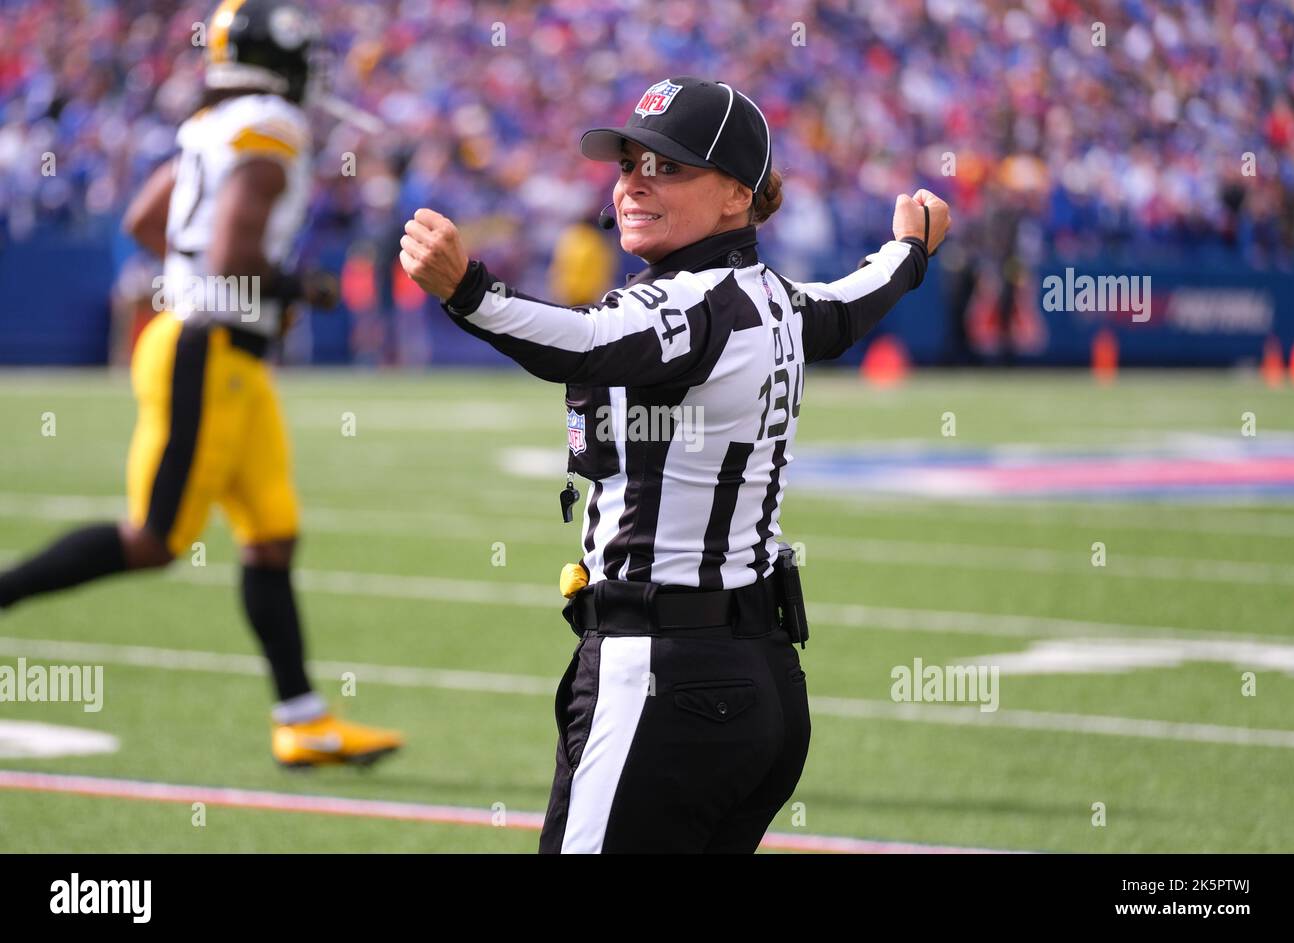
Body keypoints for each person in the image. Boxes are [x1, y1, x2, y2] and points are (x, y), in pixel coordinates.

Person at [400, 76, 949, 852]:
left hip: (660, 680)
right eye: (628, 165)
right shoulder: (777, 304)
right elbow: (852, 304)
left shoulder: (696, 306)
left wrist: (468, 291)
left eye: (668, 167)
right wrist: (911, 249)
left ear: (736, 196)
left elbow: (582, 342)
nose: (634, 184)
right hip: (762, 683)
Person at [0, 0, 403, 769]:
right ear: (278, 59)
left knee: (272, 535)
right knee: (154, 539)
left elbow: (149, 218)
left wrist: (206, 277)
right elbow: (229, 258)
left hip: (225, 354)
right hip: (208, 350)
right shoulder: (270, 128)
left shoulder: (213, 124)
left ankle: (303, 721)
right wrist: (299, 287)